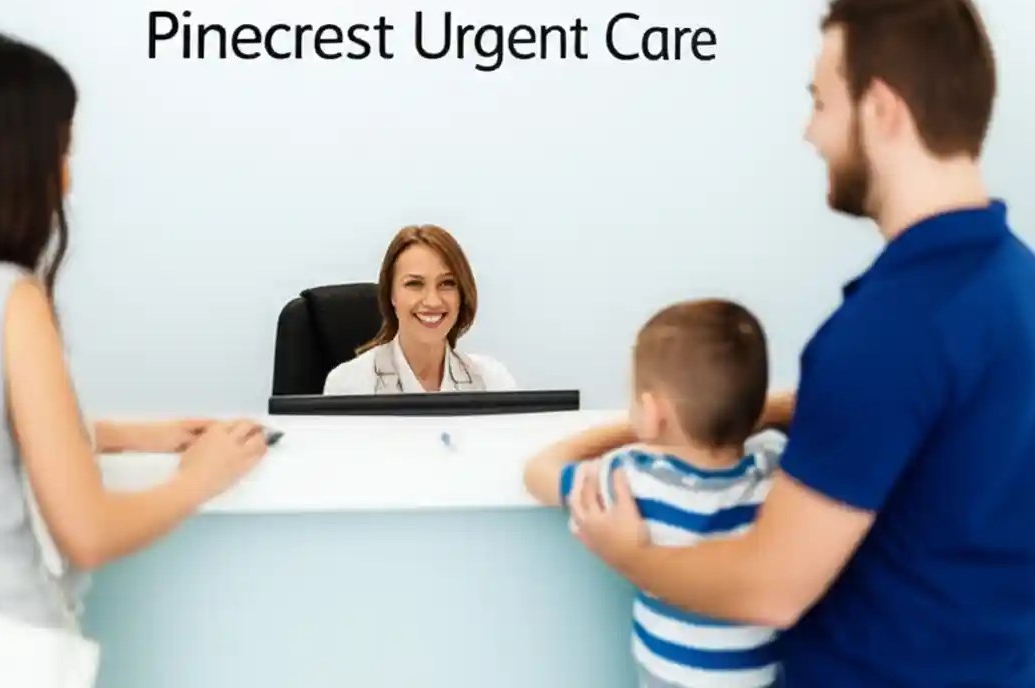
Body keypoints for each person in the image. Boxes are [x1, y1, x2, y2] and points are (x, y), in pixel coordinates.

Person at [566, 0, 1035, 687]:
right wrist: (765, 406)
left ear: (883, 109)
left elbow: (770, 587)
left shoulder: (892, 327)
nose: (809, 130)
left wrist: (627, 554)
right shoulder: (1020, 286)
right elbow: (925, 434)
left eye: (821, 100)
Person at [0, 32, 267, 679]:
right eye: (59, 149)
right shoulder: (6, 297)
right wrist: (201, 475)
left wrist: (121, 435)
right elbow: (86, 531)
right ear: (11, 157)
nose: (66, 174)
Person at [525, 300, 782, 688]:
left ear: (651, 411)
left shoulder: (633, 480)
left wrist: (630, 431)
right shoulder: (773, 474)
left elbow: (539, 471)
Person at [323, 224, 517, 394]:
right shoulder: (348, 384)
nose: (432, 301)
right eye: (414, 284)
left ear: (462, 295)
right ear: (391, 295)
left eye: (447, 283)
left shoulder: (492, 381)